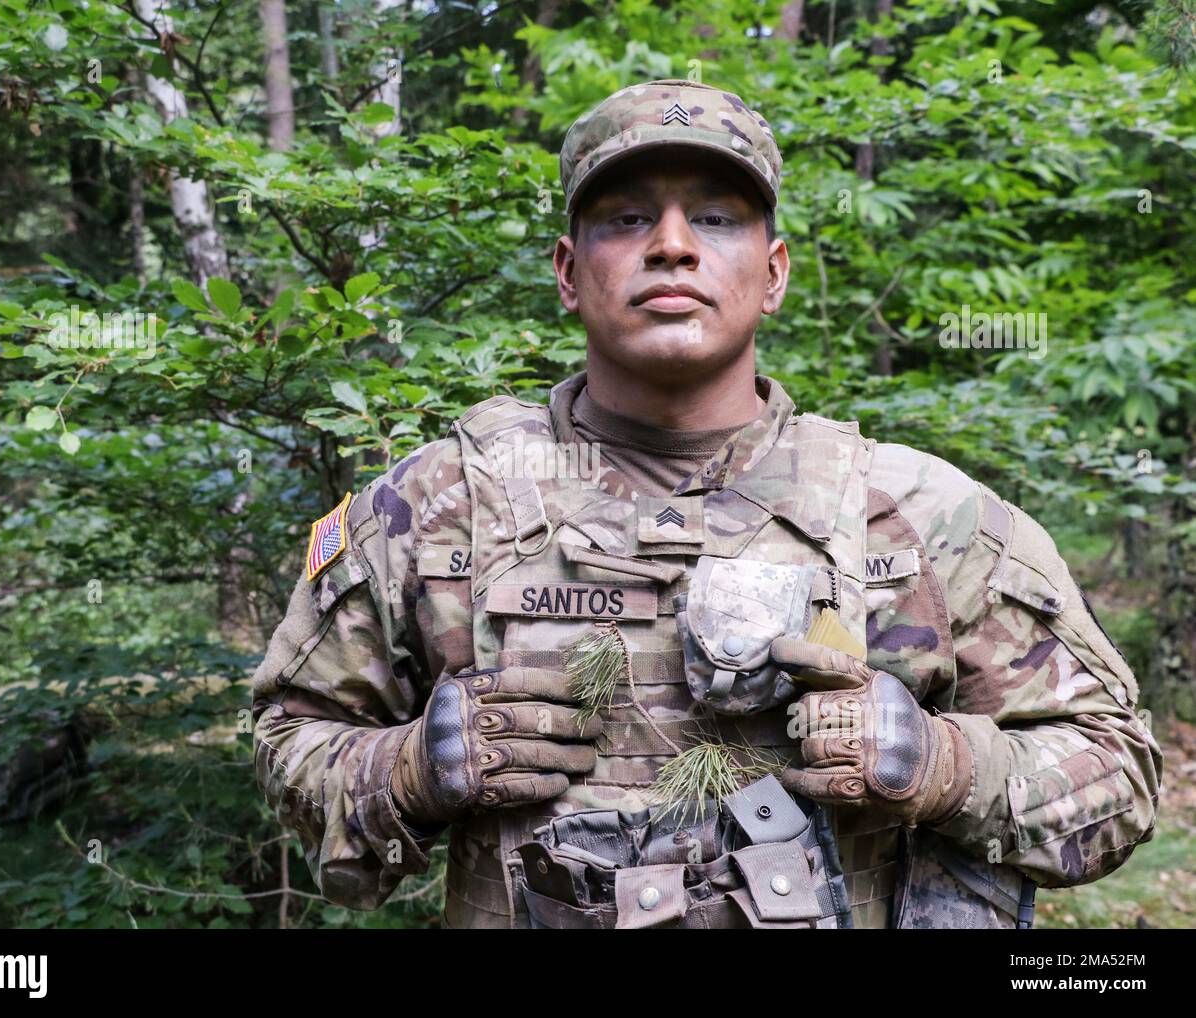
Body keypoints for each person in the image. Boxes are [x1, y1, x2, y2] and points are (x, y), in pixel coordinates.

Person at [250, 79, 1163, 929]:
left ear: (774, 274)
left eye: (716, 218)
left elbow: (1117, 778)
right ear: (569, 272)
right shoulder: (435, 506)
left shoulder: (919, 512)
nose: (673, 244)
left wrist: (944, 767)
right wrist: (407, 773)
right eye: (628, 217)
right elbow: (291, 745)